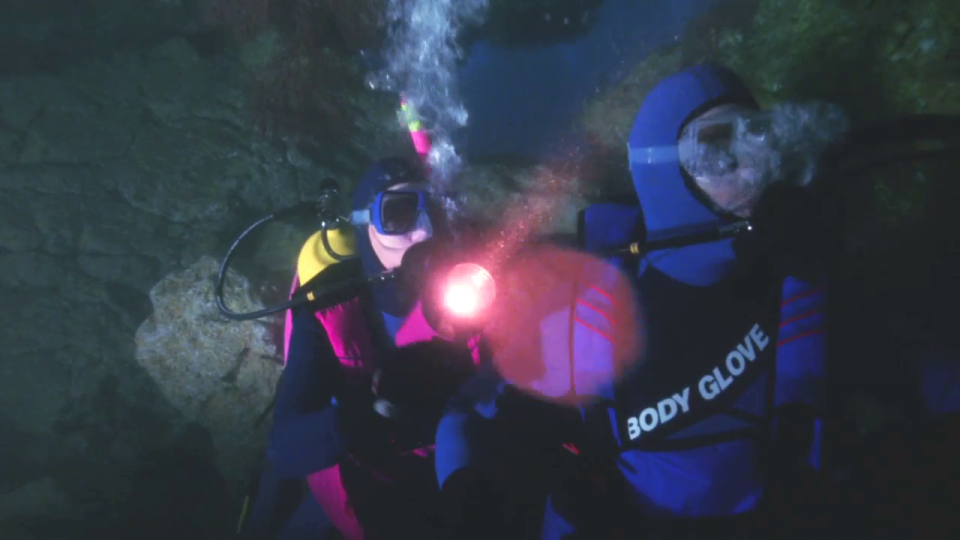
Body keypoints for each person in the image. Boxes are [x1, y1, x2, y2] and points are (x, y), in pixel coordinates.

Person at [432, 63, 858, 539]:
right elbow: (468, 411)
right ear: (665, 174)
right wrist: (463, 494)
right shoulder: (592, 320)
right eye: (716, 148)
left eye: (757, 136)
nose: (750, 167)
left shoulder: (797, 265)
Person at [244, 156, 478, 539]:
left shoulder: (474, 288)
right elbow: (285, 449)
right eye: (398, 214)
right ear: (364, 224)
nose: (422, 233)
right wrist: (374, 412)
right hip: (360, 487)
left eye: (431, 212)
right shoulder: (326, 307)